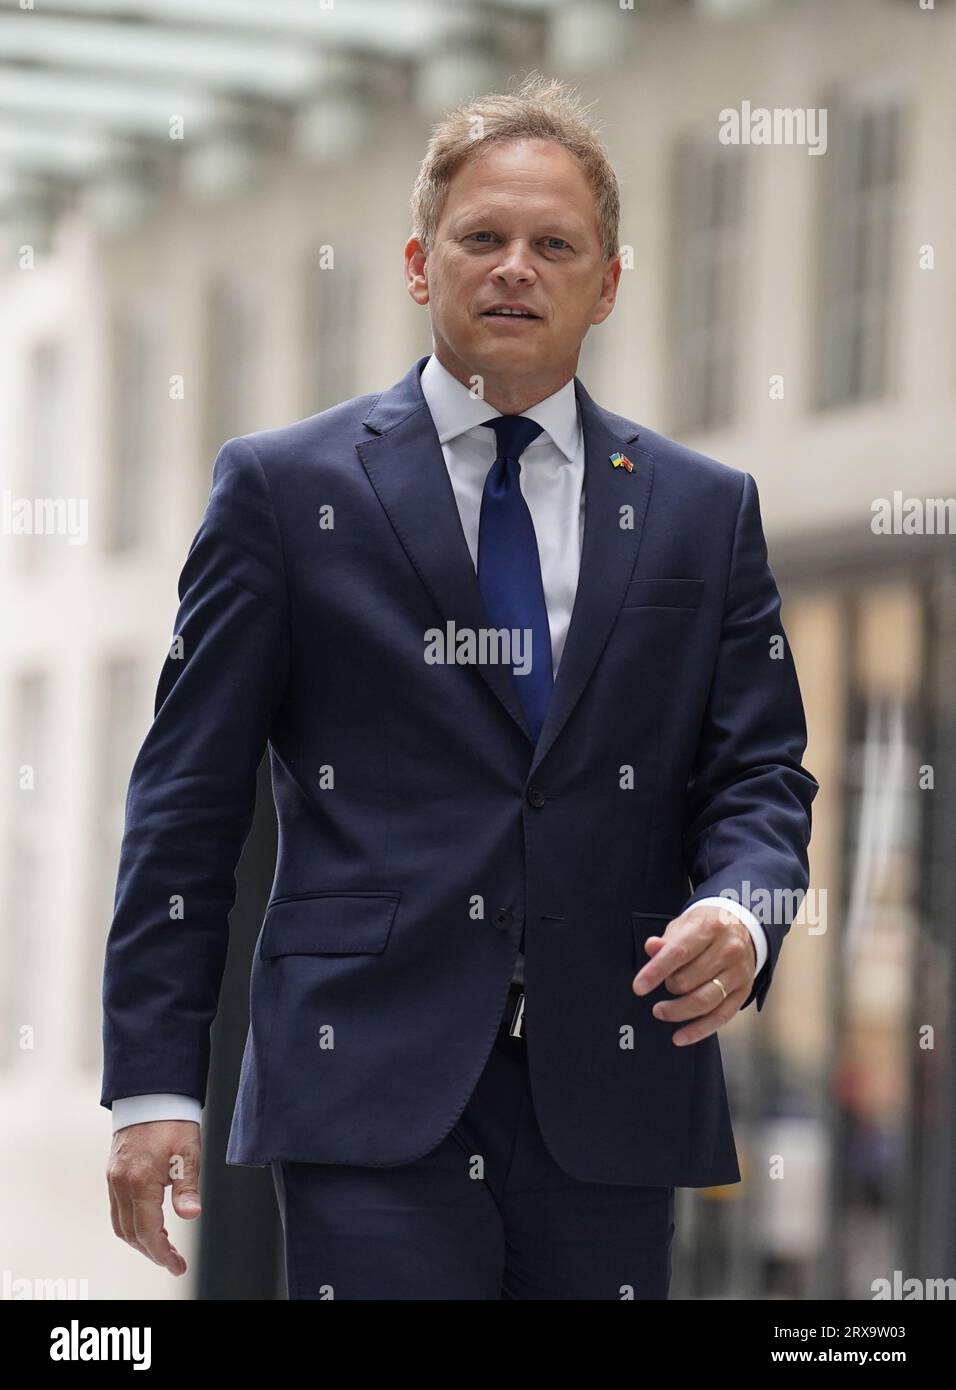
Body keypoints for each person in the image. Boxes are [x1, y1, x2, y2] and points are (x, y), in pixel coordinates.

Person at [102, 73, 818, 1300]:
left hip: (614, 1085)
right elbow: (186, 802)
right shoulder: (281, 493)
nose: (514, 268)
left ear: (607, 281)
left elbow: (759, 771)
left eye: (554, 245)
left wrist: (745, 912)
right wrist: (155, 1083)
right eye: (480, 237)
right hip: (368, 1085)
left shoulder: (704, 511)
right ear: (418, 264)